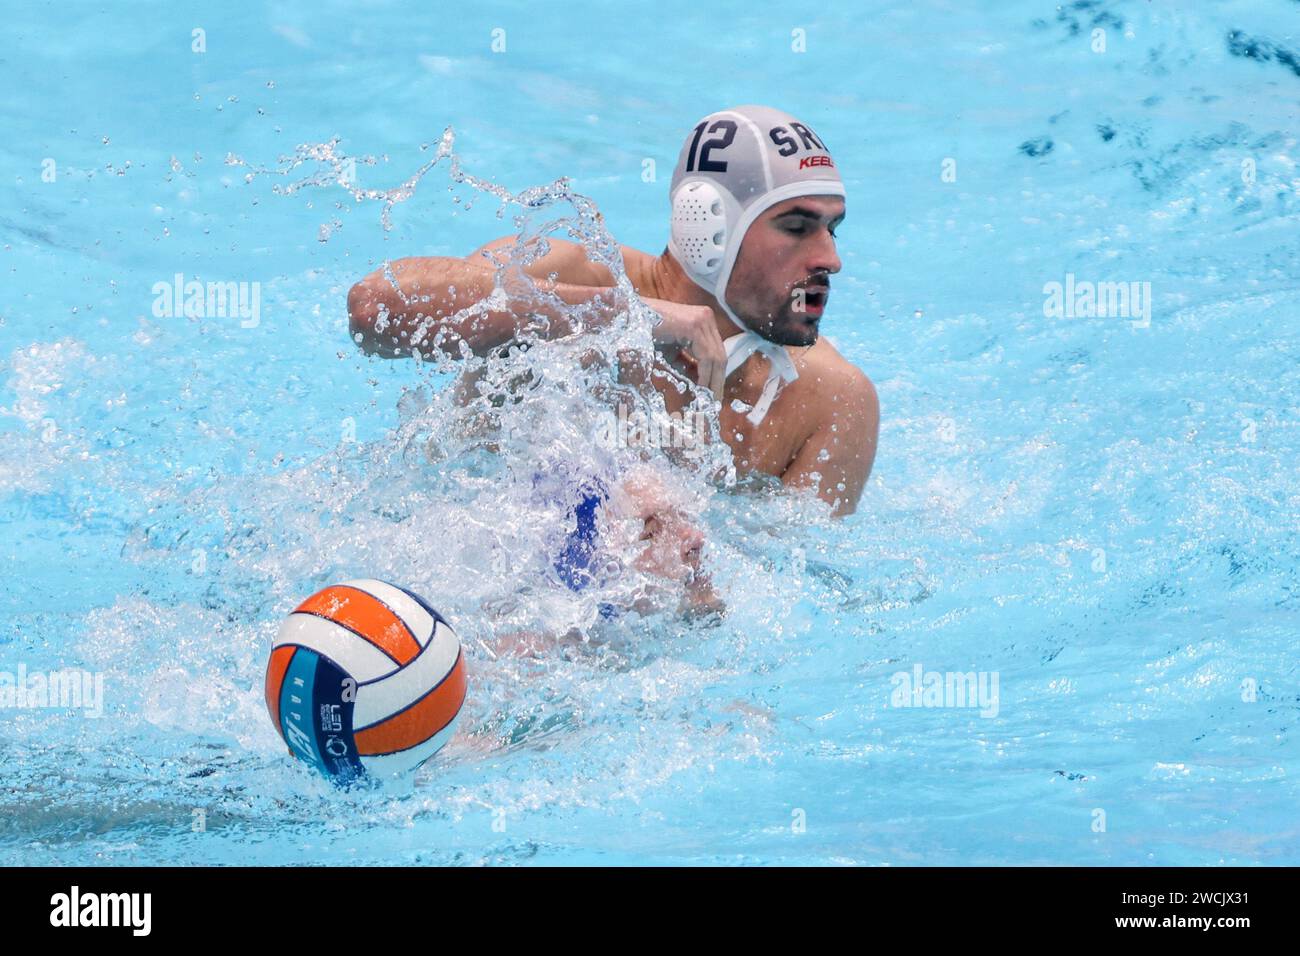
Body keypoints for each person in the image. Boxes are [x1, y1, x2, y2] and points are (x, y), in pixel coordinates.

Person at [348, 104, 879, 519]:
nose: (829, 258)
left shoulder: (829, 402)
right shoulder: (569, 274)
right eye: (796, 227)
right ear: (710, 227)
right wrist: (628, 317)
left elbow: (782, 609)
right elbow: (375, 310)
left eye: (832, 229)